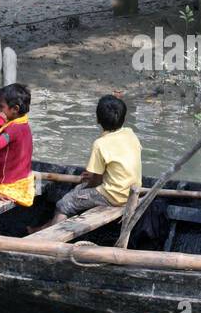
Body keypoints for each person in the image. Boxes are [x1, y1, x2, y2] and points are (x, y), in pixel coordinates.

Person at [47, 93, 142, 226]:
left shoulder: (100, 144)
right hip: (131, 193)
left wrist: (88, 183)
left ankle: (50, 240)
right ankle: (45, 227)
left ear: (97, 119)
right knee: (77, 191)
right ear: (124, 118)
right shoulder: (130, 133)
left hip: (113, 196)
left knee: (64, 203)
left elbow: (96, 181)